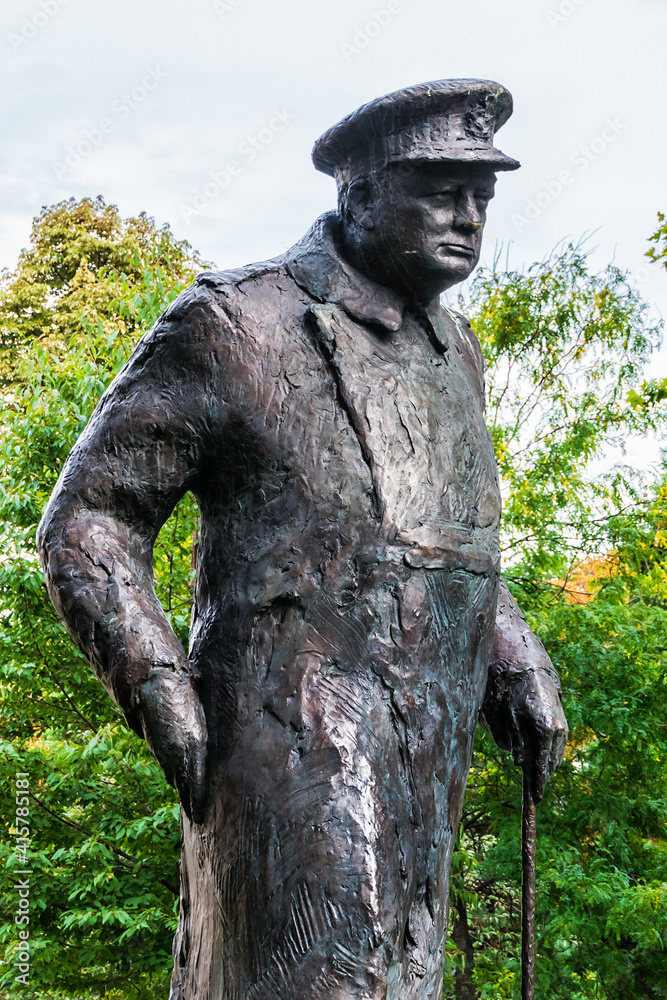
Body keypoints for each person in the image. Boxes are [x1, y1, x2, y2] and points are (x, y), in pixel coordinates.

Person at [38, 79, 568, 1000]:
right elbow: (90, 521)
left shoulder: (456, 351)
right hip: (284, 742)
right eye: (440, 192)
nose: (468, 217)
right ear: (357, 192)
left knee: (407, 971)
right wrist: (161, 689)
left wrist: (514, 654)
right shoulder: (234, 323)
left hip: (425, 750)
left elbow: (430, 537)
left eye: (481, 195)